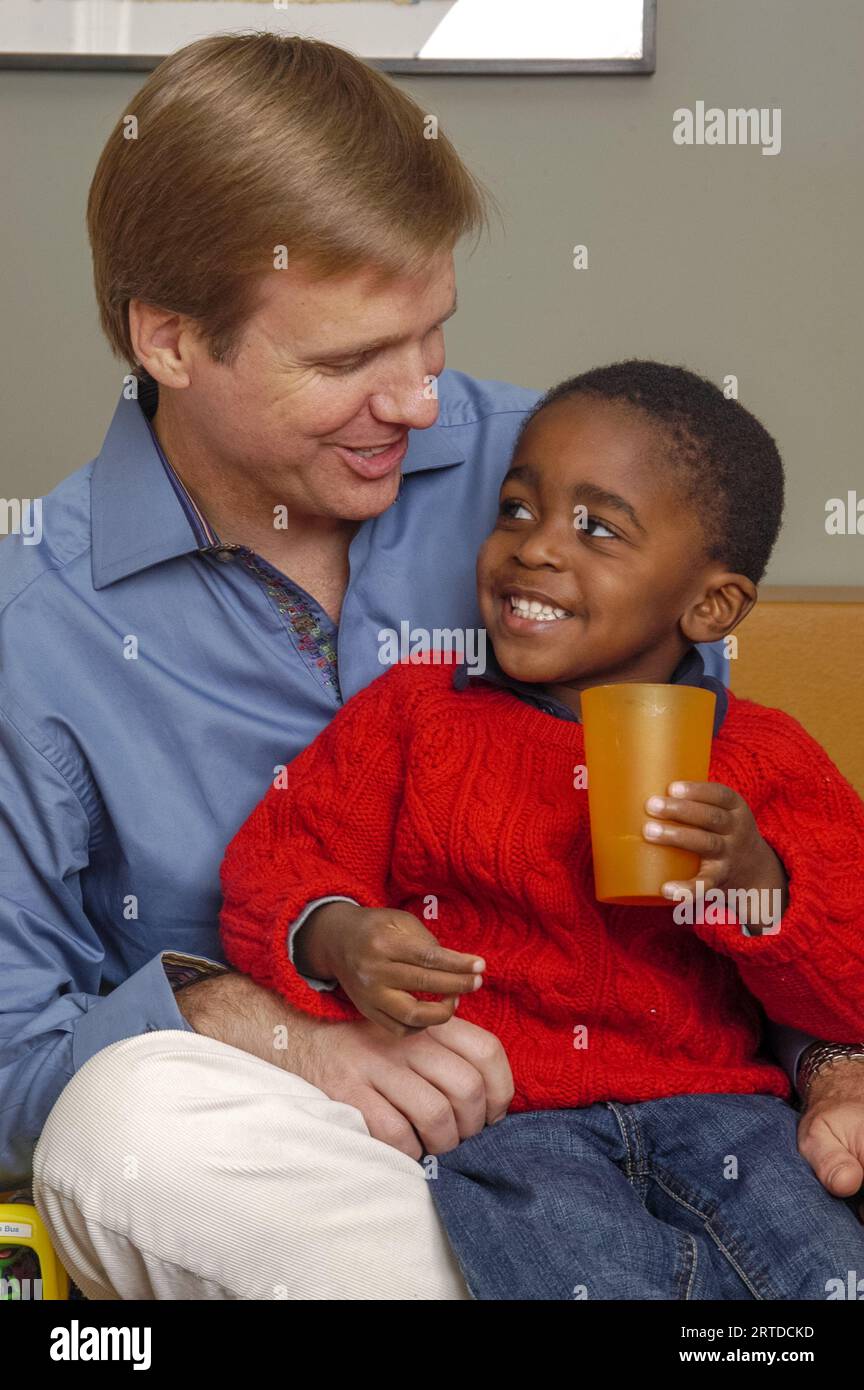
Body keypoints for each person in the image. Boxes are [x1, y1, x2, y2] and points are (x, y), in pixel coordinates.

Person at [2, 33, 859, 1302]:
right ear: (171, 340)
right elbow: (17, 1054)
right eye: (348, 361)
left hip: (690, 1117)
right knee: (123, 1127)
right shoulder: (34, 623)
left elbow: (737, 846)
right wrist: (281, 1030)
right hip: (332, 1178)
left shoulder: (576, 471)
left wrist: (834, 1057)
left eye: (432, 333)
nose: (418, 401)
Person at [219, 360, 864, 1299]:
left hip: (726, 1112)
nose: (534, 548)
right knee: (580, 1278)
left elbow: (849, 981)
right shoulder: (416, 716)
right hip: (516, 1125)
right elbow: (271, 868)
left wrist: (756, 880)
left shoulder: (767, 758)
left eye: (597, 528)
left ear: (710, 605)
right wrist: (341, 935)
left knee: (823, 1269)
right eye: (518, 510)